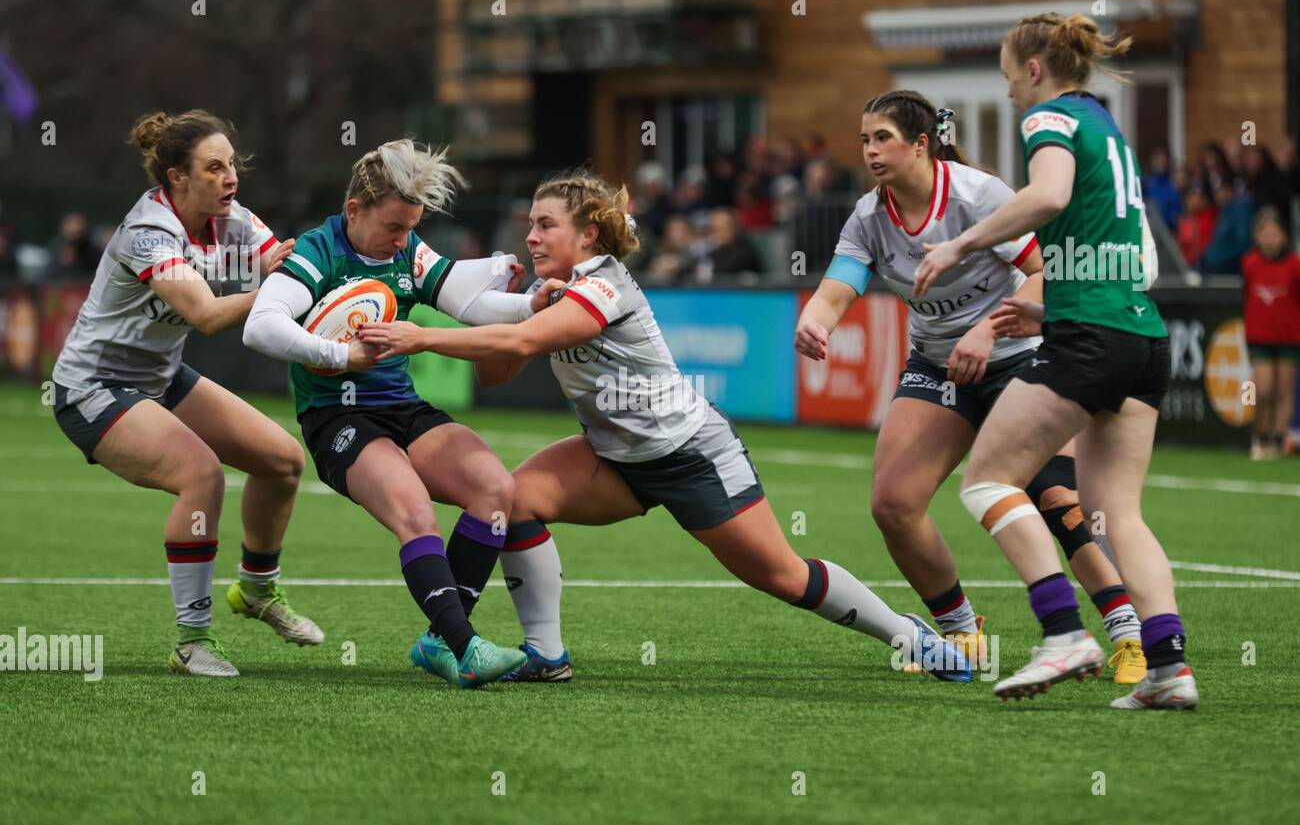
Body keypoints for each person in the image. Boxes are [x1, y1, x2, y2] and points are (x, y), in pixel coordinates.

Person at [358, 170, 972, 684]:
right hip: (613, 458)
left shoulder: (604, 285)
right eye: (530, 224)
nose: (532, 235)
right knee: (512, 500)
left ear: (587, 232)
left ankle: (905, 634)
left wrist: (423, 334)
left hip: (689, 455)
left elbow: (522, 339)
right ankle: (545, 654)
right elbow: (500, 370)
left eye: (546, 224)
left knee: (783, 576)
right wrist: (516, 302)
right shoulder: (557, 290)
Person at [796, 90, 1145, 684]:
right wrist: (816, 321)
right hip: (938, 365)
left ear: (921, 143)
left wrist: (987, 330)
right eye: (864, 140)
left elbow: (1047, 279)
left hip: (1022, 356)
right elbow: (837, 287)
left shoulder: (978, 196)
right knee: (893, 504)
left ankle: (1127, 634)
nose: (870, 150)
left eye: (882, 137)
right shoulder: (868, 215)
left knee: (1058, 501)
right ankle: (962, 629)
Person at [915, 13, 1198, 709]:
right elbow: (1115, 242)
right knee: (1114, 515)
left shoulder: (1051, 121)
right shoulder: (1106, 125)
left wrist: (960, 245)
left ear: (1034, 69)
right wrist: (1051, 306)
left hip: (1093, 342)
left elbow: (1048, 197)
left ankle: (1064, 632)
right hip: (1140, 335)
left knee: (986, 481)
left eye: (1009, 73)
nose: (1007, 88)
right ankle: (1169, 669)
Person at [242, 139, 529, 688]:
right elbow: (261, 326)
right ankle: (466, 648)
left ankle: (440, 641)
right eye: (395, 226)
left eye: (411, 227)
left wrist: (529, 305)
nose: (403, 239)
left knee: (495, 488)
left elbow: (463, 301)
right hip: (337, 420)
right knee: (414, 510)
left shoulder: (407, 251)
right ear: (355, 210)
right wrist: (340, 355)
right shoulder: (316, 252)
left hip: (401, 405)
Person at [50, 110, 320, 677]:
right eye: (214, 168)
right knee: (201, 476)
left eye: (233, 165)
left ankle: (257, 591)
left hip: (159, 376)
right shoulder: (148, 231)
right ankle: (192, 640)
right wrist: (273, 283)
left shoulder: (234, 218)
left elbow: (292, 262)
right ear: (177, 177)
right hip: (93, 387)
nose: (231, 178)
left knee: (282, 461)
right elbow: (205, 315)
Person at [1242, 207, 1300, 459]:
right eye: (1265, 234)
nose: (1270, 239)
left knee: (1284, 390)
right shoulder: (1249, 263)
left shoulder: (1295, 265)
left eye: (1274, 234)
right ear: (1257, 236)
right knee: (1259, 388)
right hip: (1258, 337)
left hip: (1289, 337)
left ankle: (1277, 438)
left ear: (1284, 236)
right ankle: (1258, 433)